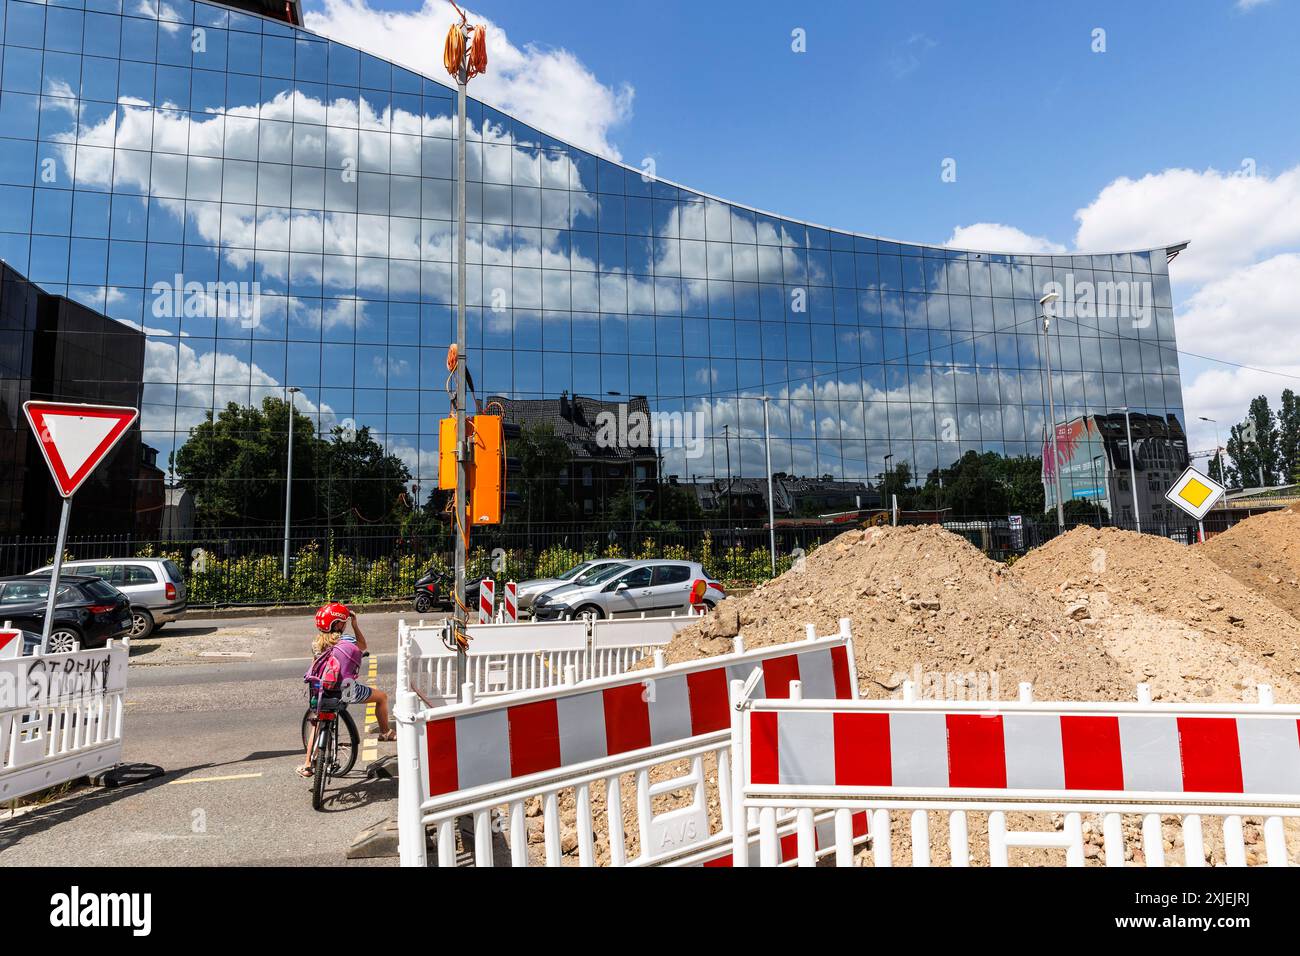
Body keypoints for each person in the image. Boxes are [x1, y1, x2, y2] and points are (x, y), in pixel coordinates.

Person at [299, 602, 395, 779]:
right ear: (337, 624)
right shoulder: (347, 640)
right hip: (346, 690)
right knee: (381, 697)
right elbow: (363, 646)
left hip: (321, 692)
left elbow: (314, 666)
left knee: (317, 724)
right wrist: (355, 624)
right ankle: (385, 733)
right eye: (343, 622)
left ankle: (307, 765)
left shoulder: (316, 643)